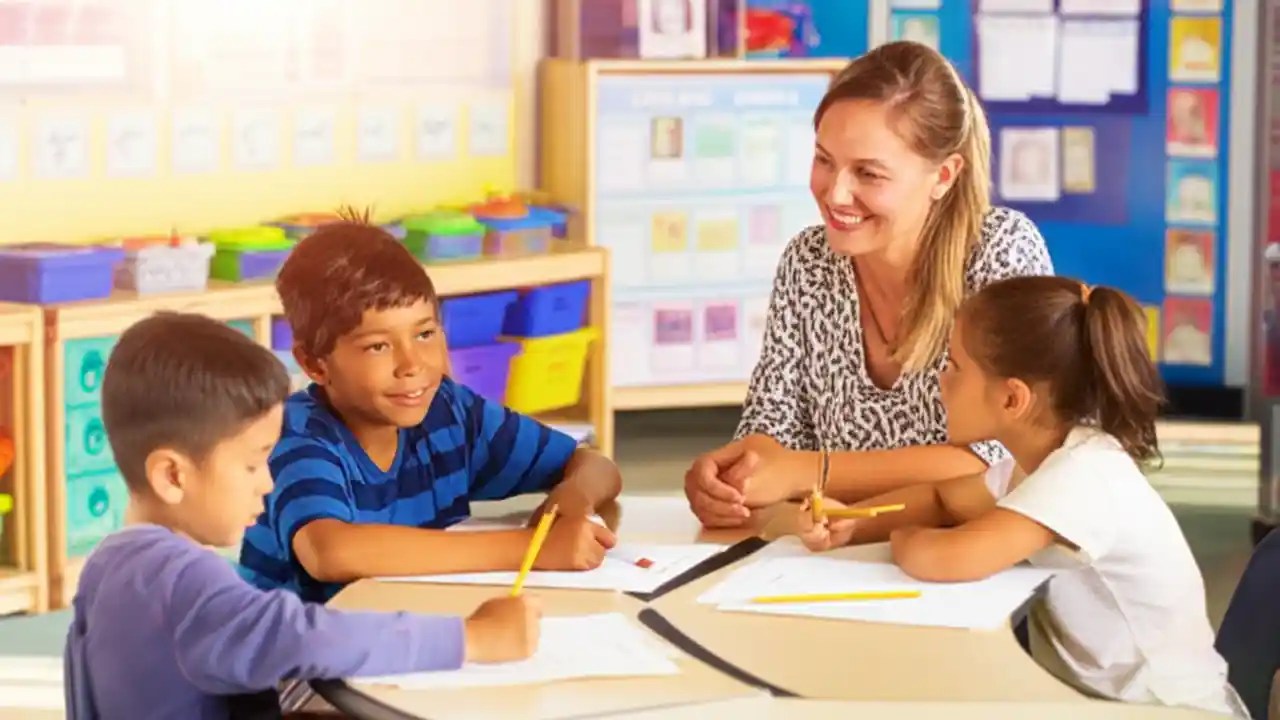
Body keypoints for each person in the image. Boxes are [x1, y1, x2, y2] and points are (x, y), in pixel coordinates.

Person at [800, 276, 1245, 718]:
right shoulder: (1038, 460)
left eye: (954, 366)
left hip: (1167, 710)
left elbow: (947, 559)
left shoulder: (1081, 476)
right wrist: (856, 520)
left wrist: (902, 536)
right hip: (1098, 703)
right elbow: (942, 499)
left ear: (1013, 398)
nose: (940, 380)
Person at [65, 313, 540, 720]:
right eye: (253, 463)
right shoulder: (184, 579)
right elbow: (304, 637)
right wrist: (471, 637)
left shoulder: (110, 563)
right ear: (172, 475)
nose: (267, 483)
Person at [684, 41, 1053, 528]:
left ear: (943, 175)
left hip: (969, 558)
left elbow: (1001, 455)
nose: (835, 193)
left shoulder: (999, 252)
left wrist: (807, 470)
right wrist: (729, 475)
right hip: (835, 555)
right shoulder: (807, 262)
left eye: (868, 174)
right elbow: (771, 426)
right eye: (823, 160)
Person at [238, 216, 622, 602]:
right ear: (315, 364)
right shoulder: (295, 437)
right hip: (300, 651)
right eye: (378, 346)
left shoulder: (450, 412)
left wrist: (574, 495)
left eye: (424, 334)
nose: (413, 364)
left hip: (412, 626)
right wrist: (534, 547)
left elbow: (595, 465)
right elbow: (331, 551)